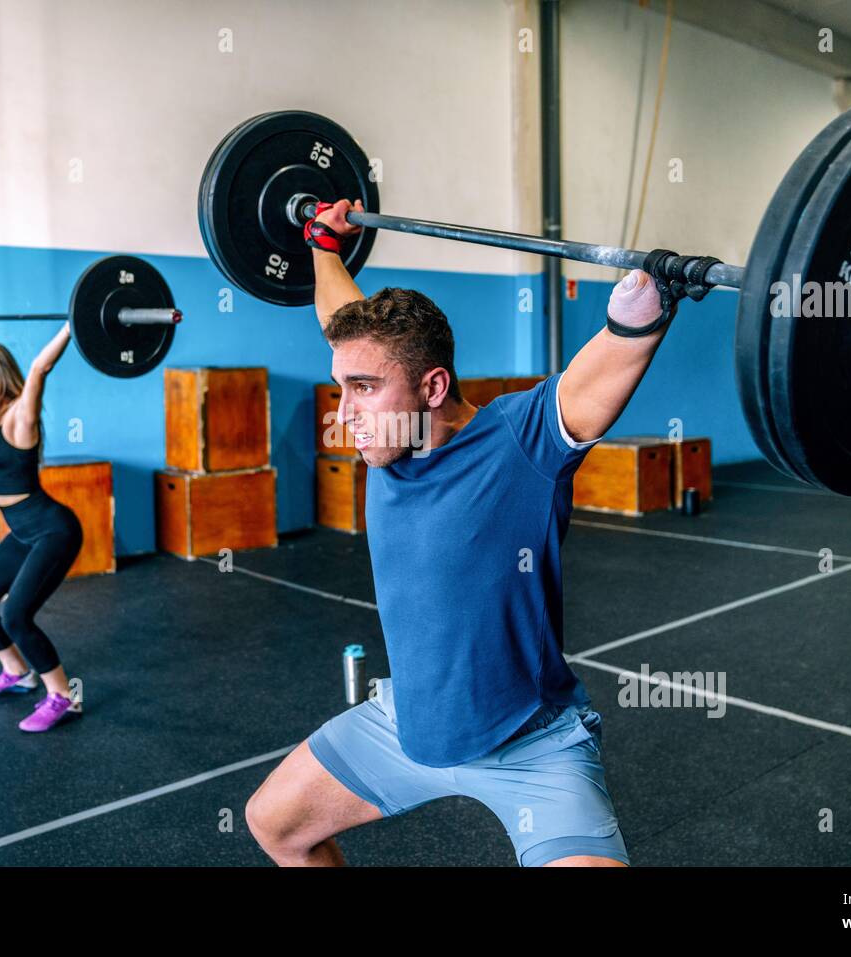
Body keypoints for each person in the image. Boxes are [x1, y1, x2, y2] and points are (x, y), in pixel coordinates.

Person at [245, 200, 671, 866]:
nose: (345, 413)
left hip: (531, 746)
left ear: (433, 385)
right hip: (406, 724)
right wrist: (323, 241)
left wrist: (645, 301)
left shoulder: (519, 438)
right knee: (273, 820)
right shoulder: (388, 433)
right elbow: (338, 316)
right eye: (340, 388)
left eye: (362, 388)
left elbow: (606, 365)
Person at [0, 307, 84, 733]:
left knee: (16, 617)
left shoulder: (18, 417)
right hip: (22, 533)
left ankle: (64, 696)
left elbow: (40, 368)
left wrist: (72, 325)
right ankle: (17, 673)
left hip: (53, 531)